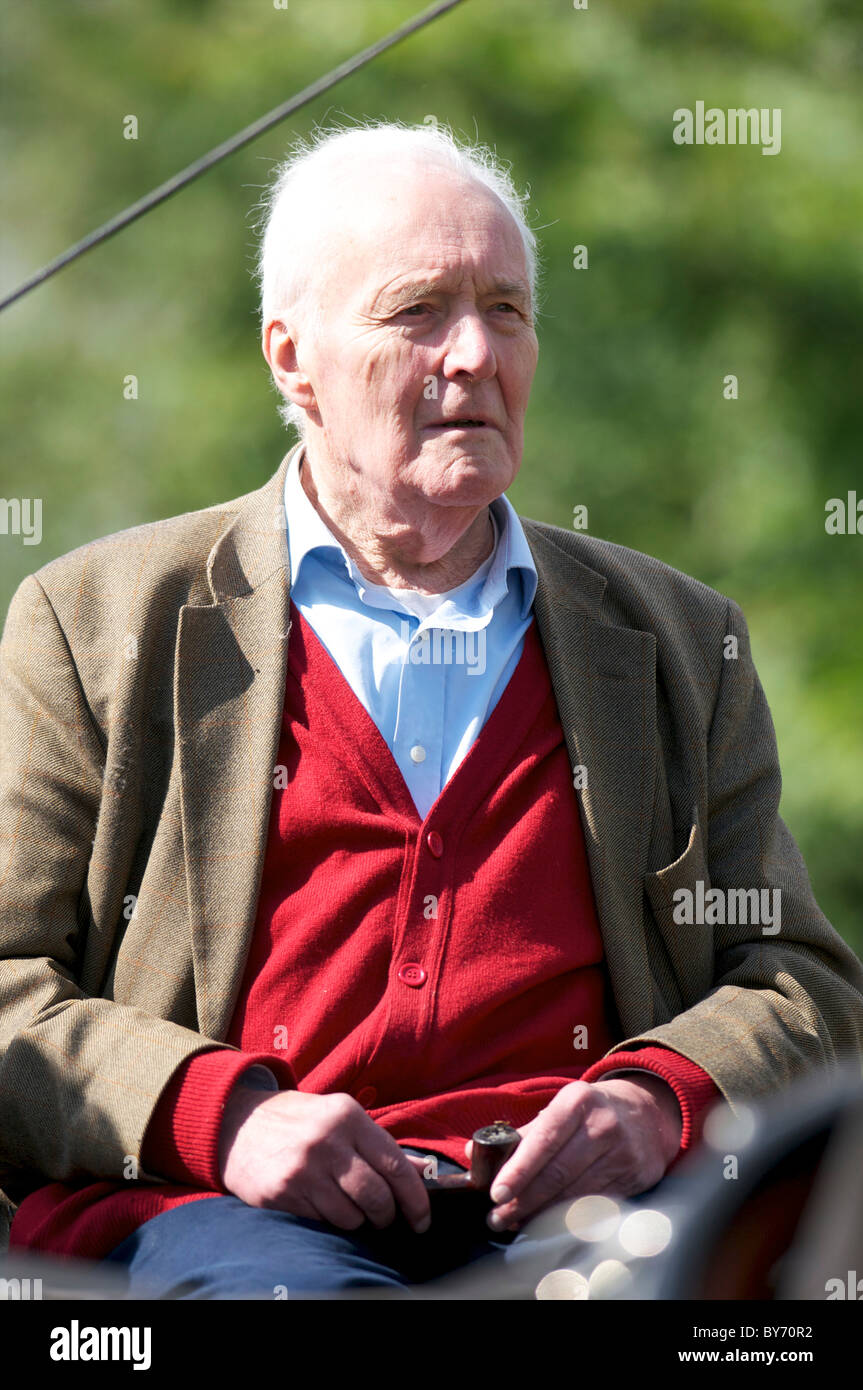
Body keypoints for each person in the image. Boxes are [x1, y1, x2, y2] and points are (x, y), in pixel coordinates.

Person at [1, 121, 861, 1300]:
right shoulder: (96, 619)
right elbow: (8, 986)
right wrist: (223, 1113)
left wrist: (658, 1095)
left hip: (593, 1229)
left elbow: (805, 983)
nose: (472, 353)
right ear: (291, 359)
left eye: (504, 310)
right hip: (228, 1219)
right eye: (417, 313)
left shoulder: (673, 636)